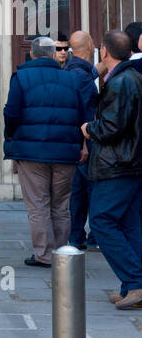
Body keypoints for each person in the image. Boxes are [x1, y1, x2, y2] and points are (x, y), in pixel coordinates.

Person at [3, 35, 86, 268]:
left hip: (31, 152)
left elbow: (11, 112)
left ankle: (44, 255)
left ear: (31, 53)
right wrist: (80, 145)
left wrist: (12, 135)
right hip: (66, 153)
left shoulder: (21, 77)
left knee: (38, 204)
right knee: (61, 205)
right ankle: (61, 252)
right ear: (52, 54)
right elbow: (82, 116)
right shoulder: (71, 79)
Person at [84, 29, 142, 310]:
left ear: (104, 52)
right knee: (130, 225)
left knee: (102, 222)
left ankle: (134, 281)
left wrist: (88, 129)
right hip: (129, 163)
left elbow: (111, 127)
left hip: (117, 164)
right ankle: (132, 286)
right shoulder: (129, 77)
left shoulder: (121, 82)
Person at [66, 30, 100, 250]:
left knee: (78, 191)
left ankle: (76, 236)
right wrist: (85, 144)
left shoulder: (71, 71)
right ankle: (93, 235)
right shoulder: (82, 76)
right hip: (86, 142)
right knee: (91, 188)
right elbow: (85, 112)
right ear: (90, 46)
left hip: (73, 141)